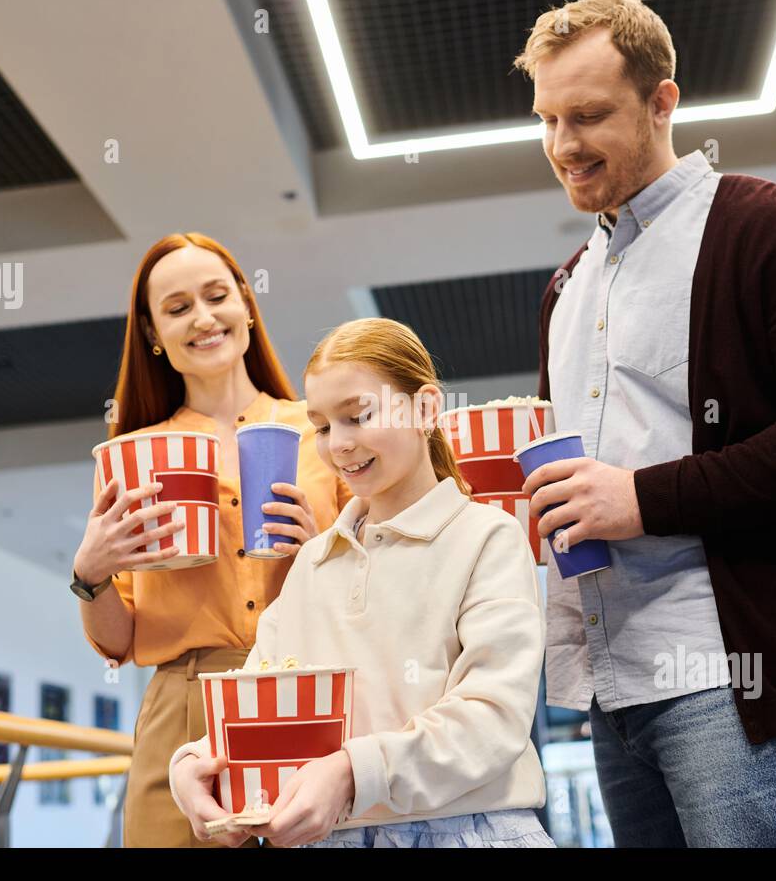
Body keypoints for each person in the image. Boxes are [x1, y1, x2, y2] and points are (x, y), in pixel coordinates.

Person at [513, 0, 776, 846]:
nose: (562, 146)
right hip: (615, 692)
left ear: (664, 103)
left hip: (739, 680)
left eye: (587, 116)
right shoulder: (566, 288)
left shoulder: (768, 230)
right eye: (546, 120)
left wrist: (644, 499)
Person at [168, 318, 555, 848]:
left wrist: (353, 771)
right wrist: (197, 763)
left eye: (358, 416)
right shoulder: (311, 565)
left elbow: (494, 719)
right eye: (323, 427)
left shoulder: (489, 538)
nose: (339, 446)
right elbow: (261, 700)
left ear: (424, 408)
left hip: (469, 831)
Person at [72, 232, 350, 847]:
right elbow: (121, 639)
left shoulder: (326, 432)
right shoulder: (132, 457)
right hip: (182, 709)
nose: (203, 318)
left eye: (216, 296)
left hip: (309, 698)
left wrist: (321, 549)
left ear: (247, 304)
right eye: (177, 309)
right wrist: (88, 576)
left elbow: (380, 586)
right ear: (152, 334)